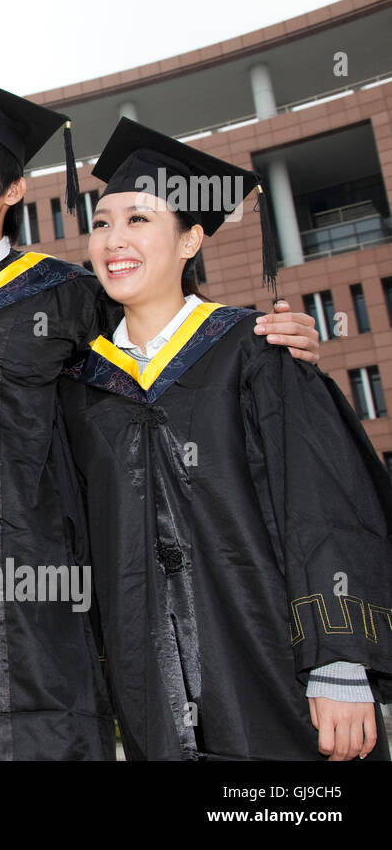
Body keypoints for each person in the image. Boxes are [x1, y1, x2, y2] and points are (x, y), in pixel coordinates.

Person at [0, 66, 323, 759]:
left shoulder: (76, 296)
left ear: (13, 189)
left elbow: (169, 367)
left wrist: (286, 339)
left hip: (46, 603)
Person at [58, 118, 392, 761]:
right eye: (101, 224)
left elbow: (324, 508)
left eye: (139, 220)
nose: (113, 240)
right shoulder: (81, 387)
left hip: (277, 667)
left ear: (191, 240)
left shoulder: (258, 351)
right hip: (151, 686)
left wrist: (340, 666)